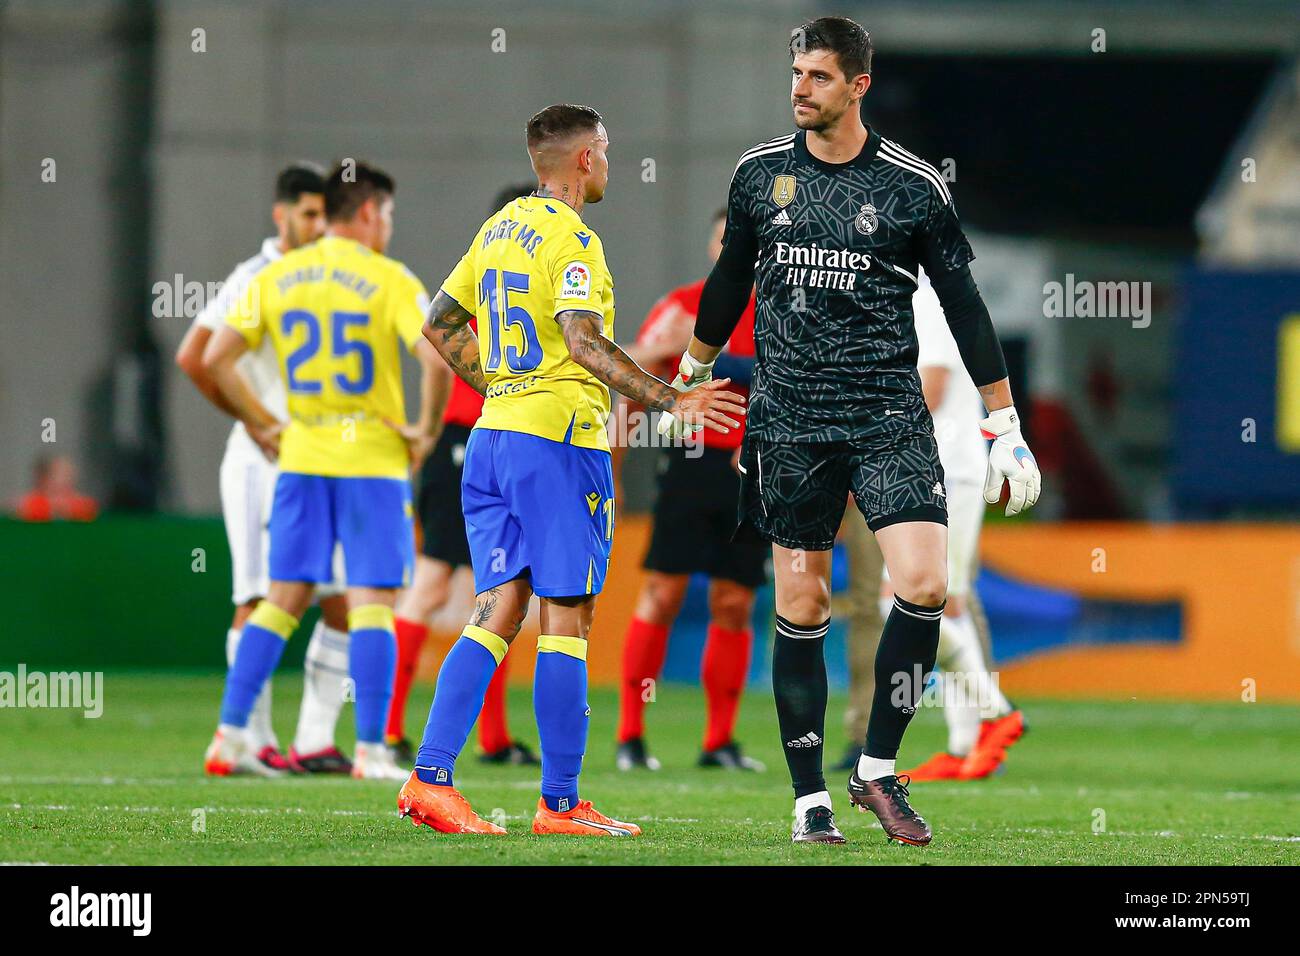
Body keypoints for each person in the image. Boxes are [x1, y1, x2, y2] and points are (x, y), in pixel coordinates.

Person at [663, 17, 1041, 845]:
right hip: (790, 422)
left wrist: (1003, 421)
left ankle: (876, 768)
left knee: (928, 586)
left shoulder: (911, 187)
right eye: (796, 73)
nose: (800, 88)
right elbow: (730, 280)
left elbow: (966, 307)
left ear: (859, 85)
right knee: (800, 602)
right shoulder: (760, 174)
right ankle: (809, 801)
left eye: (819, 76)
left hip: (887, 419)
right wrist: (691, 372)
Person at [397, 104, 744, 836]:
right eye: (608, 151)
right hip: (557, 443)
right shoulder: (574, 240)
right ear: (585, 160)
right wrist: (670, 398)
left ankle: (430, 778)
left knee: (497, 609)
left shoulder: (498, 229)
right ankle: (560, 803)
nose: (612, 163)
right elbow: (584, 344)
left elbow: (439, 322)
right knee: (568, 617)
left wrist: (500, 386)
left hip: (494, 440)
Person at [201, 161, 449, 781]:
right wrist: (424, 432)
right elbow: (439, 359)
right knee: (370, 602)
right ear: (368, 212)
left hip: (302, 458)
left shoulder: (279, 275)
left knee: (279, 599)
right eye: (387, 214)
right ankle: (369, 749)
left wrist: (264, 422)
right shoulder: (390, 278)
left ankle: (229, 735)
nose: (389, 226)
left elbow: (215, 357)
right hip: (371, 463)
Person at [176, 163, 355, 775]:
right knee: (258, 595)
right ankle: (247, 738)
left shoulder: (325, 277)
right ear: (281, 215)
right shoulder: (254, 277)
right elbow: (194, 359)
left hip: (318, 460)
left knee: (340, 600)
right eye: (306, 213)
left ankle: (312, 740)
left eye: (322, 214)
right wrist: (255, 422)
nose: (315, 224)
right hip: (263, 463)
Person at [386, 183, 541, 768]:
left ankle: (492, 738)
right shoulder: (495, 275)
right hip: (468, 441)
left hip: (492, 441)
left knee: (499, 592)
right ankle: (388, 729)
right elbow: (433, 345)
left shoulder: (493, 275)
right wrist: (429, 429)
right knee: (433, 586)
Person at [613, 207, 766, 773]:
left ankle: (718, 741)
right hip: (691, 464)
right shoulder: (683, 306)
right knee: (663, 594)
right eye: (725, 239)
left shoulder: (784, 308)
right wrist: (614, 464)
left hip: (755, 472)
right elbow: (630, 373)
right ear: (712, 246)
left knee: (734, 602)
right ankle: (630, 735)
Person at [894, 271, 1026, 781]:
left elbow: (933, 384)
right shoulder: (908, 290)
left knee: (915, 598)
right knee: (947, 601)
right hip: (939, 465)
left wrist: (875, 441)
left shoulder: (924, 295)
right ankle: (966, 743)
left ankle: (996, 714)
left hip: (949, 466)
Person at [14, 455, 99, 522]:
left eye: (68, 474)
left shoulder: (81, 504)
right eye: (60, 474)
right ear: (44, 477)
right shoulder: (30, 503)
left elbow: (89, 511)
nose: (66, 479)